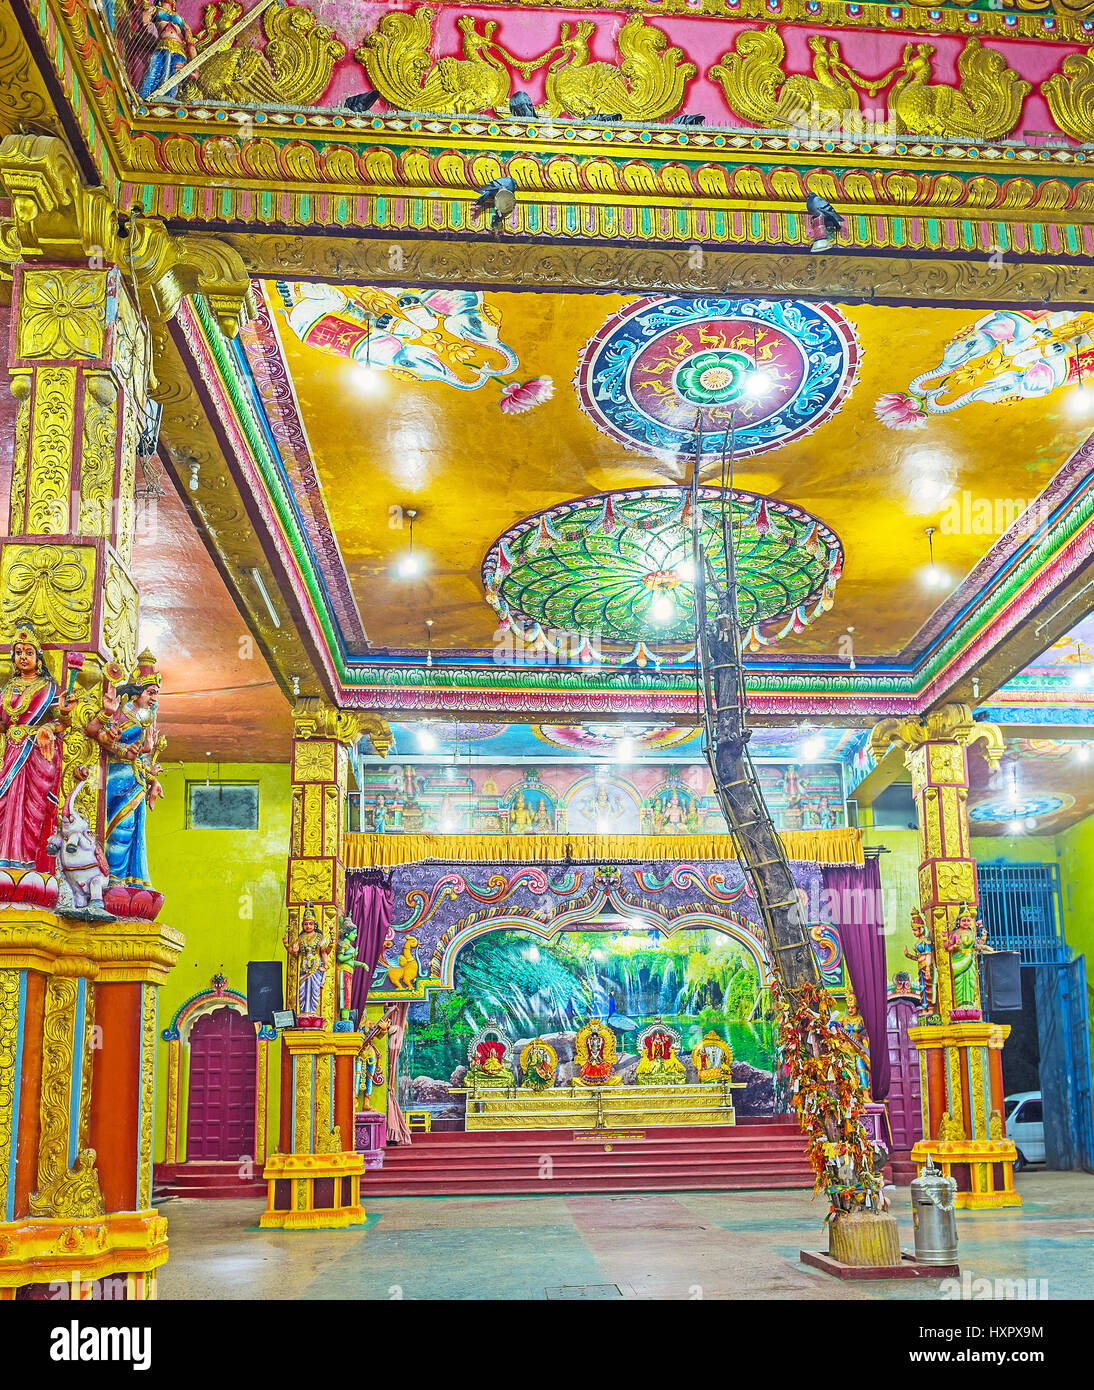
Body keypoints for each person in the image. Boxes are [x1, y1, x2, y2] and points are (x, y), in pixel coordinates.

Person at [85, 649, 165, 889]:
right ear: (138, 691)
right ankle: (111, 881)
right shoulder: (119, 711)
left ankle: (129, 881)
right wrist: (117, 743)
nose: (153, 698)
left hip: (136, 780)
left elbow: (142, 757)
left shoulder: (146, 719)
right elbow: (96, 734)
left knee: (132, 832)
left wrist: (153, 780)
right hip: (115, 778)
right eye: (151, 692)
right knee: (119, 830)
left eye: (156, 694)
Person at [0, 623, 72, 873]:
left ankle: (26, 863)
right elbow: (3, 723)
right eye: (18, 652)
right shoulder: (6, 688)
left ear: (38, 657)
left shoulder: (48, 688)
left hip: (34, 756)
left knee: (31, 810)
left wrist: (52, 724)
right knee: (6, 803)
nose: (23, 657)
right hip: (7, 753)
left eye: (28, 652)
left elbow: (62, 723)